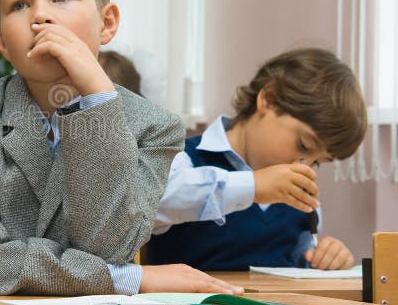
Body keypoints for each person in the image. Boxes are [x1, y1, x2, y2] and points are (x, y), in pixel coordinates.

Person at [0, 0, 242, 296]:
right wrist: (126, 278)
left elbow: (107, 244)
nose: (41, 16)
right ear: (2, 41)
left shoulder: (155, 127)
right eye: (19, 5)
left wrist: (96, 97)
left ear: (106, 23)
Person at [148, 47, 367, 271]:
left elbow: (299, 262)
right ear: (269, 100)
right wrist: (254, 186)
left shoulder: (302, 201)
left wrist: (327, 258)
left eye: (318, 162)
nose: (305, 166)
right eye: (304, 145)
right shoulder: (180, 157)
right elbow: (153, 203)